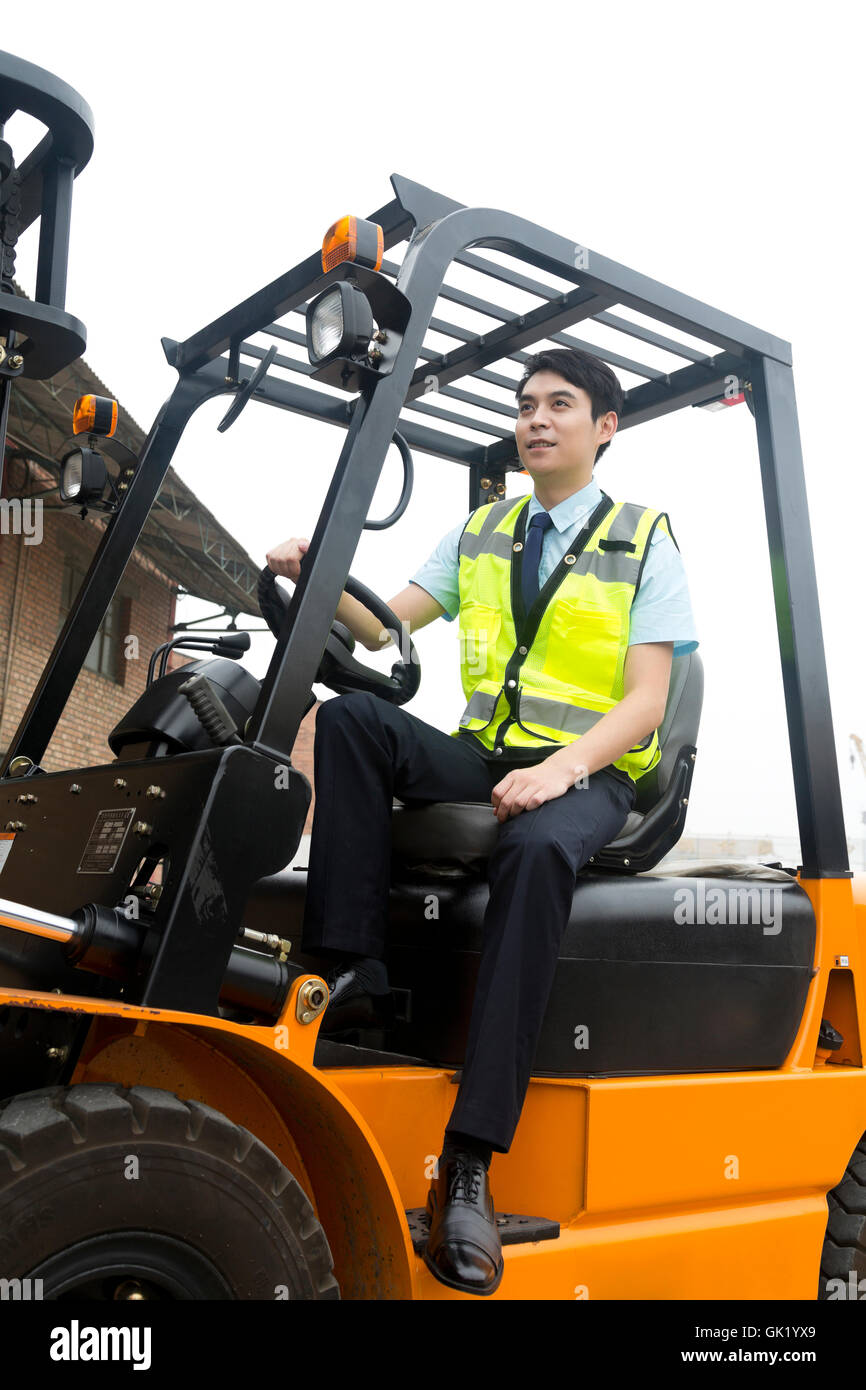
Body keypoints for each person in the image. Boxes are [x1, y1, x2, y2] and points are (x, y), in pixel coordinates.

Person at [266, 346, 698, 1297]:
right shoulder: (484, 531)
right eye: (526, 405)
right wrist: (320, 574)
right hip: (489, 750)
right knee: (349, 722)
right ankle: (352, 968)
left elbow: (647, 703)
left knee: (537, 849)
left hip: (589, 770)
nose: (536, 419)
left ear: (604, 427)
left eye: (560, 405)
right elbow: (387, 627)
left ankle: (468, 1162)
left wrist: (562, 770)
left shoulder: (644, 537)